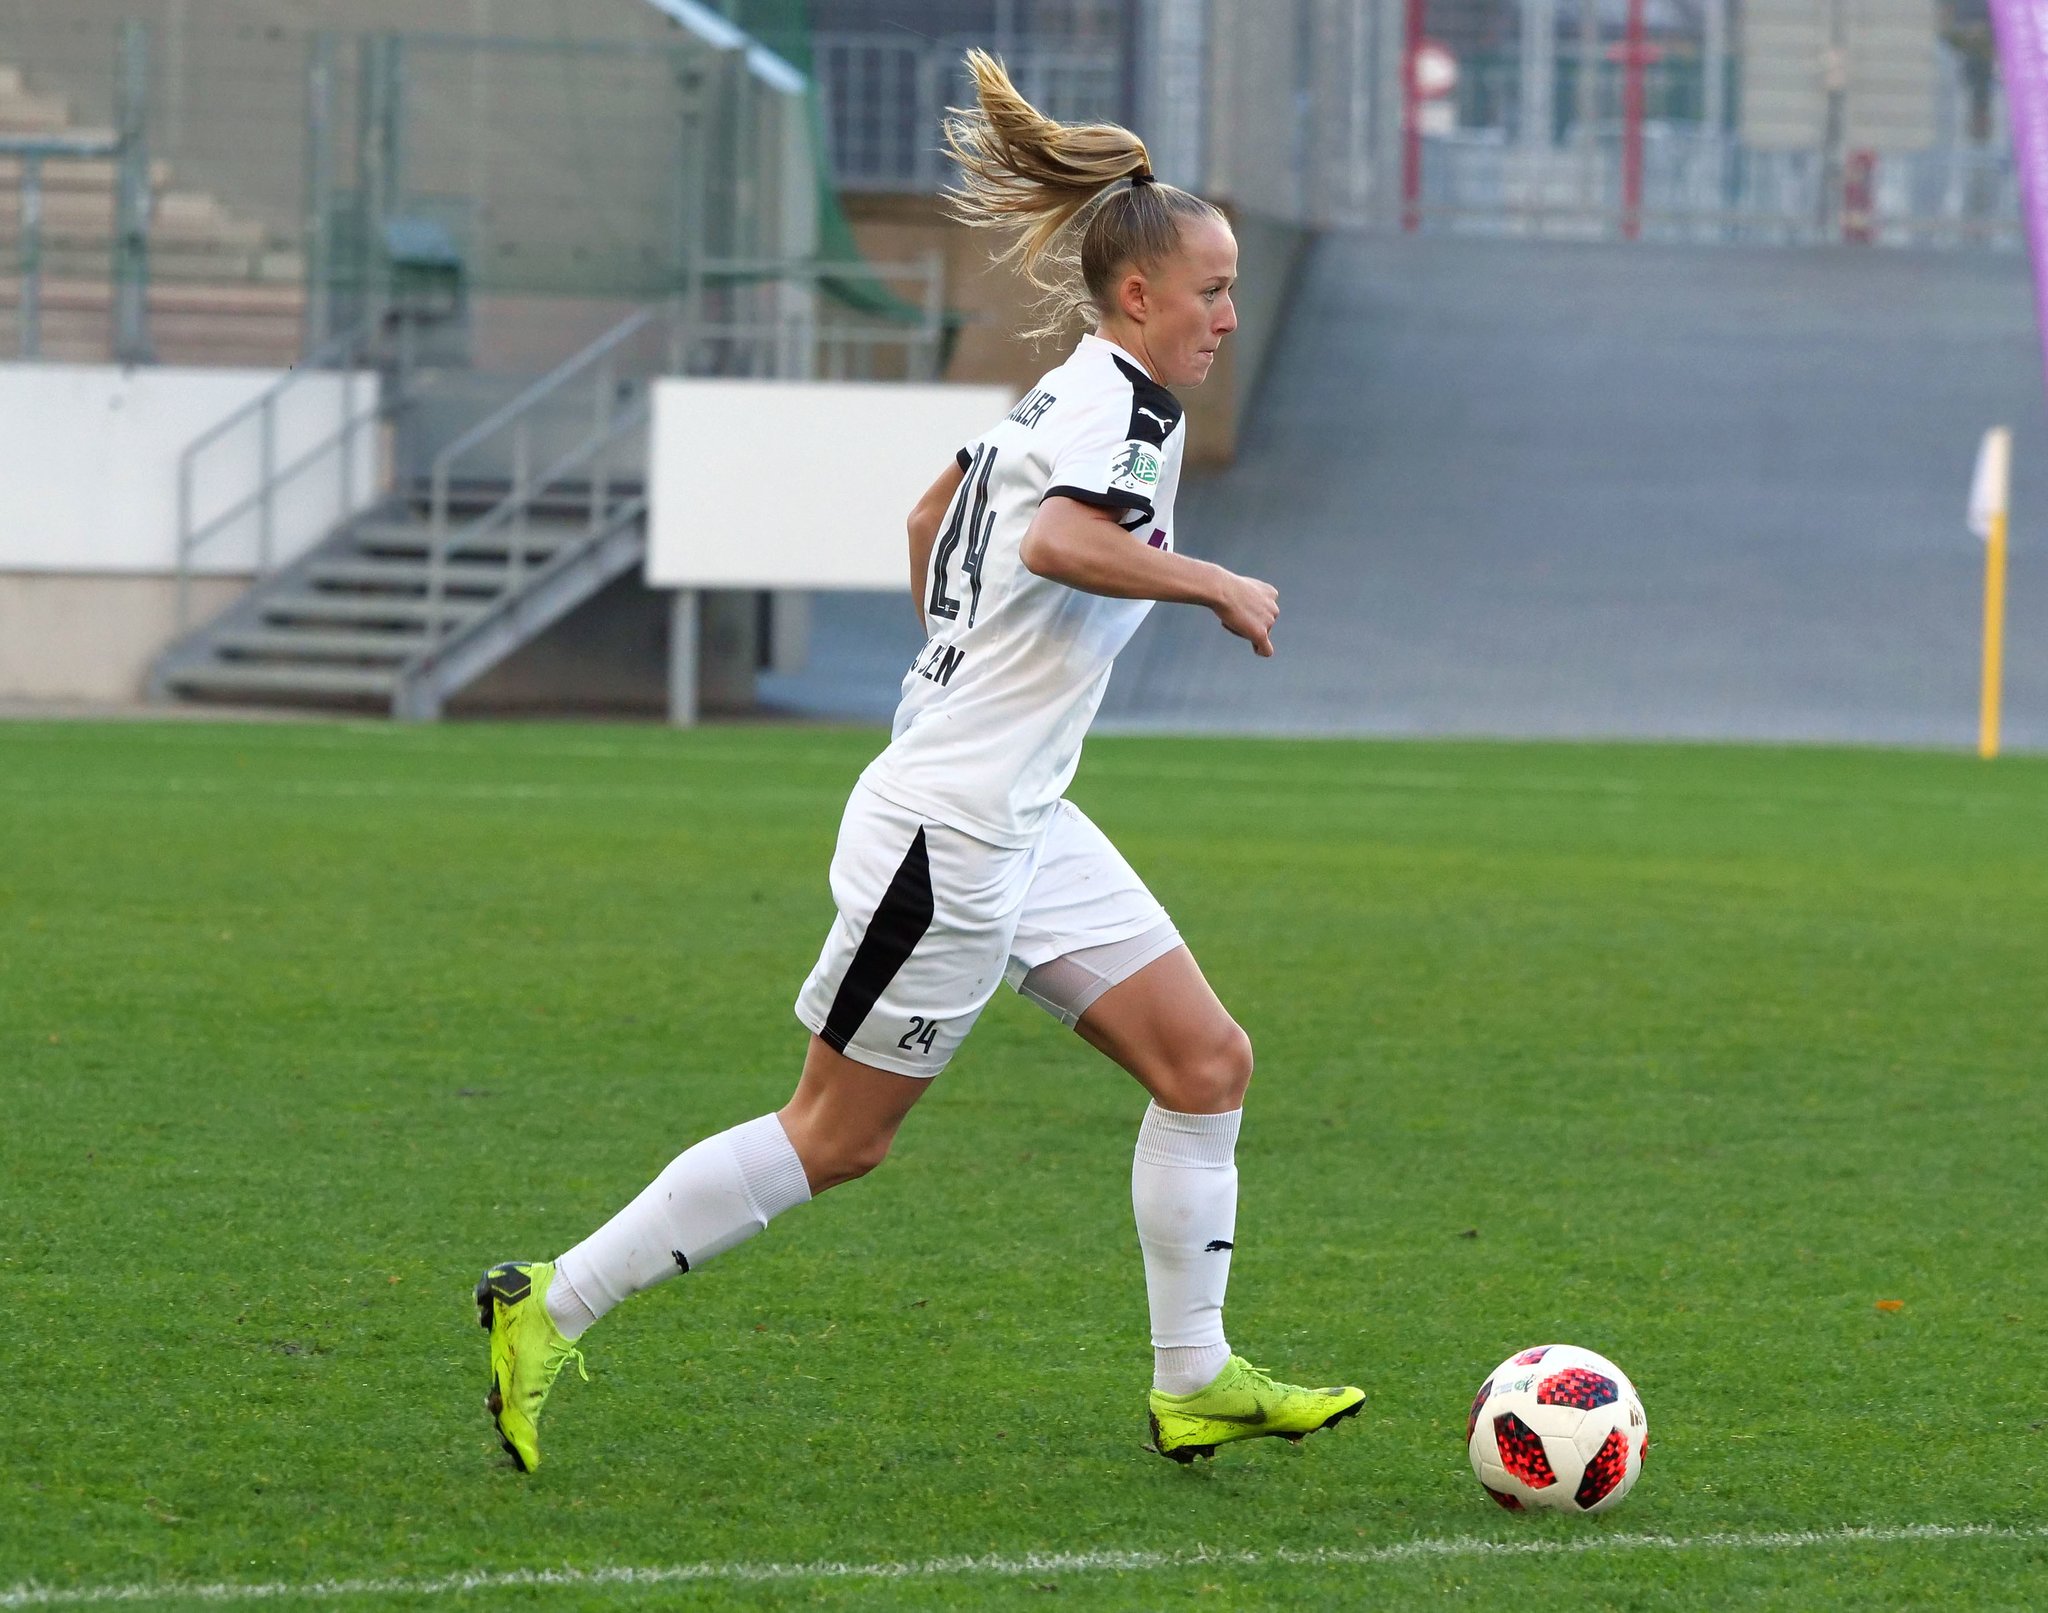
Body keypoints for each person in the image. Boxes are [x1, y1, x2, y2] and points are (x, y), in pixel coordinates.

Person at [476, 49, 1362, 1472]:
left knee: (1205, 1060)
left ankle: (1194, 1377)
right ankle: (548, 1302)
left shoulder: (1070, 388)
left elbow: (929, 512)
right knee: (838, 1136)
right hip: (948, 838)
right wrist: (1211, 584)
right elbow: (1056, 539)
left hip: (1017, 814)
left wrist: (964, 668)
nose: (1229, 313)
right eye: (1213, 289)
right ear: (1141, 295)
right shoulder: (1121, 410)